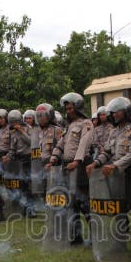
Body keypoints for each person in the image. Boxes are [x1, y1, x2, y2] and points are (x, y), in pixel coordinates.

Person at [86, 96, 131, 224]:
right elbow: (107, 152)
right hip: (117, 174)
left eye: (117, 111)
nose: (114, 114)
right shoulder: (114, 131)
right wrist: (95, 164)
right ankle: (122, 232)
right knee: (118, 204)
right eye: (113, 112)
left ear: (126, 112)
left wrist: (114, 165)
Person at [46, 92, 94, 244]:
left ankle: (94, 236)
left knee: (84, 202)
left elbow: (84, 144)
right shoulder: (69, 126)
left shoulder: (86, 123)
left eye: (70, 108)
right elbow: (61, 144)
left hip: (80, 166)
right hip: (68, 166)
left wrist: (77, 161)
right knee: (71, 203)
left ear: (78, 107)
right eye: (66, 108)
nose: (68, 110)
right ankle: (76, 236)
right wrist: (53, 158)